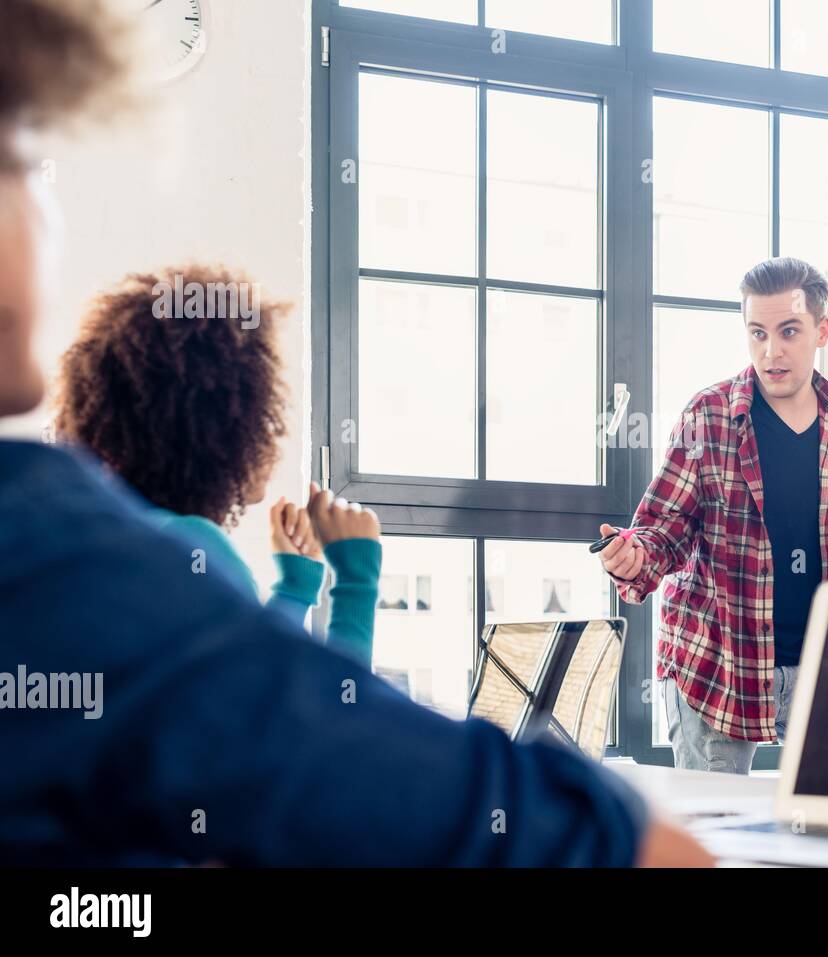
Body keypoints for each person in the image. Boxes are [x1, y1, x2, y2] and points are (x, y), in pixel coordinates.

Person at [0, 0, 711, 866]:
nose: (41, 202)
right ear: (241, 432)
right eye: (28, 157)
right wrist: (353, 580)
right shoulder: (81, 559)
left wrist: (304, 583)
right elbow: (316, 741)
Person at [597, 257, 828, 774]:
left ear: (822, 331)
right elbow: (662, 532)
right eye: (757, 333)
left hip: (824, 666)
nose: (771, 352)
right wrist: (631, 557)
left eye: (789, 331)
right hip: (719, 663)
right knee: (713, 840)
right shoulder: (707, 416)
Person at [54, 265, 379, 666]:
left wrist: (295, 591)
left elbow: (239, 678)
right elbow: (334, 718)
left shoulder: (133, 541)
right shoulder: (192, 543)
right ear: (227, 428)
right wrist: (356, 580)